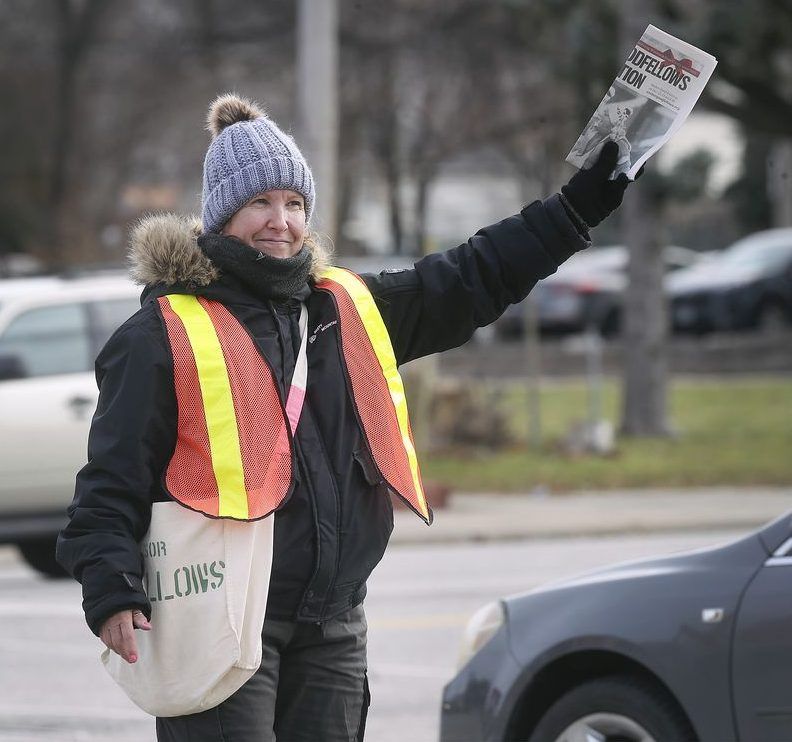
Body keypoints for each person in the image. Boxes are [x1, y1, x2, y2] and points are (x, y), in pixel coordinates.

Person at [56, 92, 637, 741]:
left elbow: (474, 276)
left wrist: (577, 206)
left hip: (333, 625)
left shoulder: (346, 308)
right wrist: (112, 590)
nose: (281, 221)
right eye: (260, 203)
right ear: (221, 215)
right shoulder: (159, 336)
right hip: (221, 620)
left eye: (295, 204)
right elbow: (110, 486)